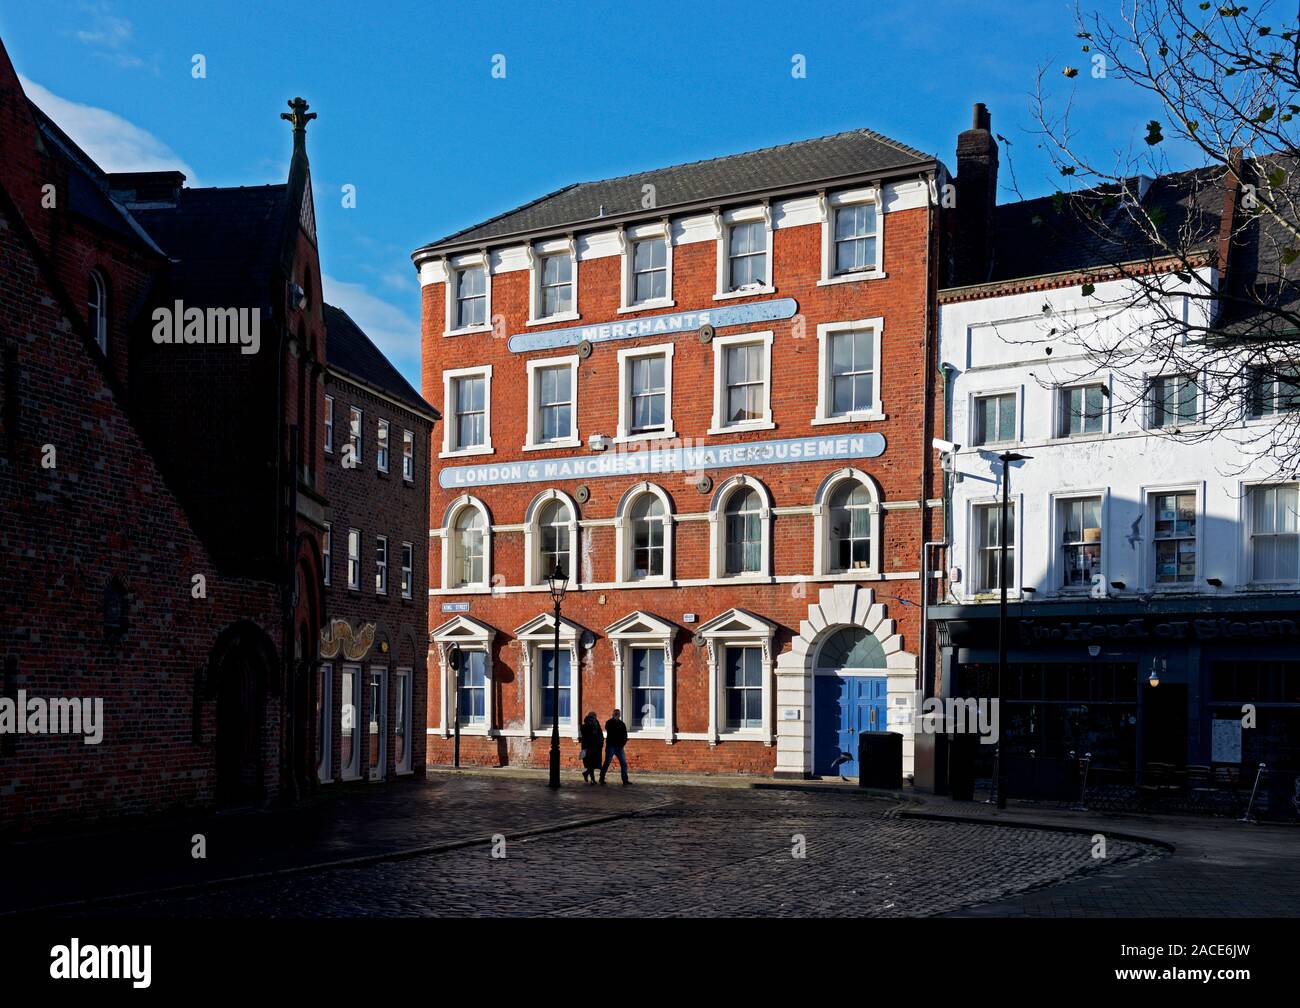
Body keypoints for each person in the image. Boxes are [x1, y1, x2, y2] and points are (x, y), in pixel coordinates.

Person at [600, 708, 630, 785]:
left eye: (618, 714)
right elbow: (609, 729)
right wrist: (614, 721)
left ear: (620, 715)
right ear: (613, 715)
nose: (617, 715)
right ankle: (601, 778)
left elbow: (625, 734)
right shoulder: (609, 723)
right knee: (607, 762)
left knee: (623, 763)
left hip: (619, 747)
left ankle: (625, 780)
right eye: (615, 713)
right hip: (611, 746)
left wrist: (623, 743)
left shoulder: (622, 724)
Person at [579, 712, 603, 785]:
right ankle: (592, 780)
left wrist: (601, 743)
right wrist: (591, 727)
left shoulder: (597, 725)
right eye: (592, 717)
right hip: (588, 747)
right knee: (590, 764)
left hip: (596, 747)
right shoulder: (584, 726)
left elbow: (600, 735)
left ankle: (586, 773)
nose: (593, 719)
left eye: (594, 717)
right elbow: (586, 735)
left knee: (595, 764)